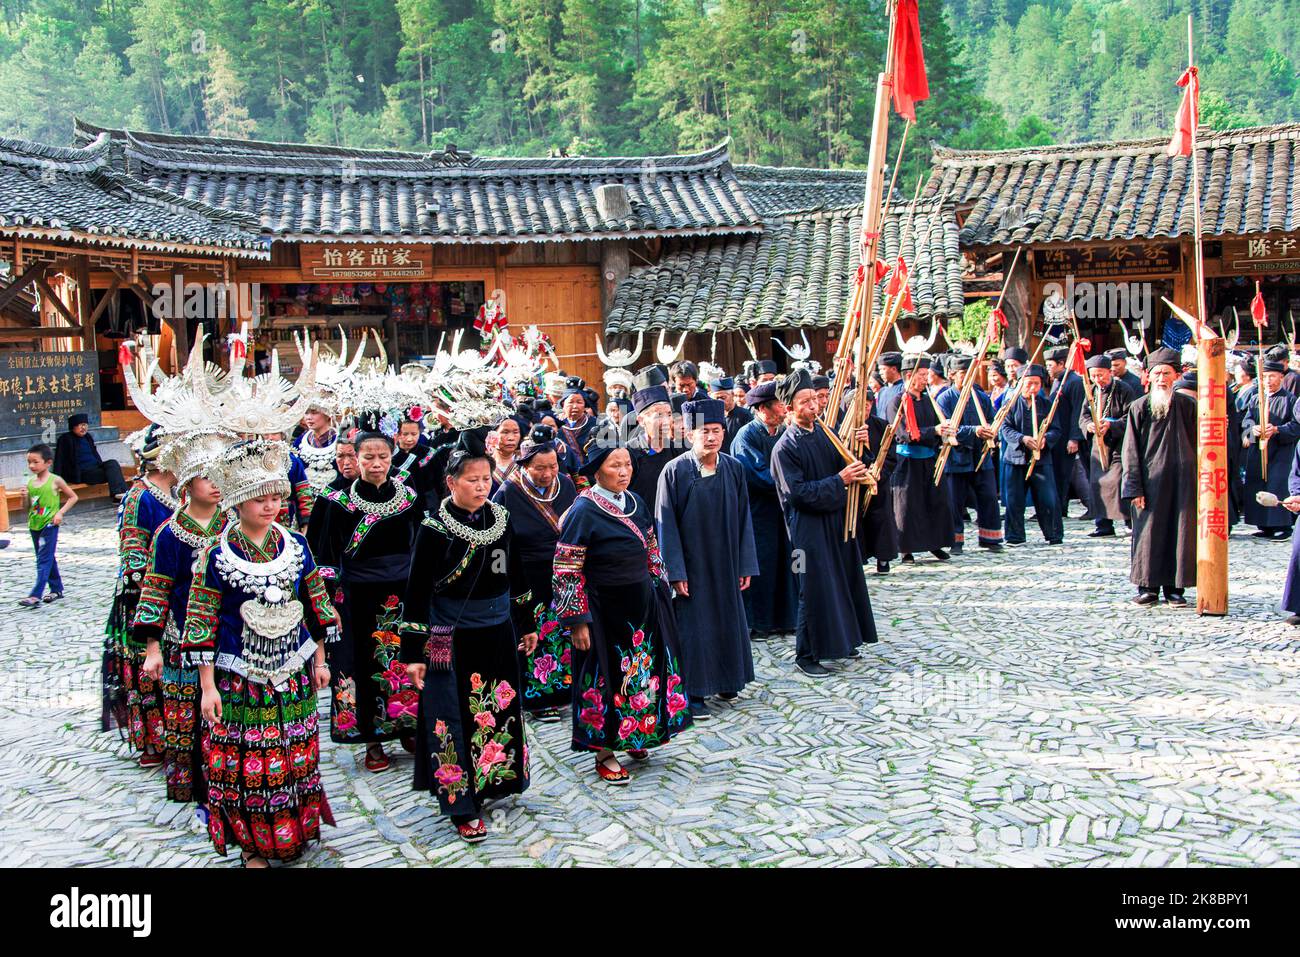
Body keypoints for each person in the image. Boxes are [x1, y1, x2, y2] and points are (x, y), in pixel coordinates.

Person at [183, 438, 339, 866]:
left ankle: (296, 830)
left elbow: (317, 605)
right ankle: (251, 844)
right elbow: (202, 623)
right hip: (239, 677)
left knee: (296, 753)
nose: (271, 507)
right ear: (237, 503)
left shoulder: (296, 547)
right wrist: (207, 687)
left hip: (293, 671)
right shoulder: (215, 557)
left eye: (276, 497)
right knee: (244, 762)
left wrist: (321, 661)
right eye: (259, 499)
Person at [400, 429, 535, 842]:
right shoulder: (433, 527)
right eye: (472, 480)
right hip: (446, 634)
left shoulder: (501, 519)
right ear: (451, 482)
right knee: (451, 713)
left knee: (496, 705)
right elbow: (417, 591)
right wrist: (414, 652)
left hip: (496, 629)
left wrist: (526, 621)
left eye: (486, 479)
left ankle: (495, 780)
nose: (481, 487)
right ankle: (462, 804)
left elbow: (517, 572)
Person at [553, 444, 693, 783]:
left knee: (640, 670)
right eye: (615, 465)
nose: (623, 471)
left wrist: (660, 587)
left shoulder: (635, 502)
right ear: (597, 471)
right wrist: (577, 621)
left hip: (641, 605)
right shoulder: (583, 511)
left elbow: (651, 546)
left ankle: (635, 732)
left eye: (627, 464)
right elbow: (566, 569)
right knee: (605, 675)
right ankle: (604, 750)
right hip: (603, 609)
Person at [314, 432, 423, 772]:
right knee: (361, 664)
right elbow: (326, 556)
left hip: (403, 594)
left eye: (383, 458)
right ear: (355, 459)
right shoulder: (336, 501)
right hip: (357, 596)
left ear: (392, 458)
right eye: (369, 458)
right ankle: (371, 738)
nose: (377, 465)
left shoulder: (409, 497)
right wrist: (329, 603)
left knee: (406, 660)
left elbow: (421, 546)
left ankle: (408, 726)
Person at [133, 430, 231, 806]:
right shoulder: (168, 535)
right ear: (187, 484)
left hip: (227, 636)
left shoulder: (234, 527)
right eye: (208, 478)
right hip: (179, 637)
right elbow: (155, 590)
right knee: (184, 714)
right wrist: (152, 648)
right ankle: (191, 786)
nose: (216, 486)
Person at [770, 369, 878, 677]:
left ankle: (844, 641)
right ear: (788, 408)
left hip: (834, 522)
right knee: (810, 588)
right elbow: (798, 494)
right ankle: (806, 654)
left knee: (843, 579)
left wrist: (860, 449)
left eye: (815, 400)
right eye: (804, 402)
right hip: (802, 533)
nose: (813, 407)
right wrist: (839, 480)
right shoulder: (784, 447)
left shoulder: (826, 433)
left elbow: (851, 466)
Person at [656, 399, 758, 720]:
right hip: (692, 564)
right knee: (695, 625)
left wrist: (745, 564)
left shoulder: (734, 468)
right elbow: (665, 524)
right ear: (689, 434)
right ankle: (696, 690)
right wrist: (675, 571)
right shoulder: (673, 472)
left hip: (726, 560)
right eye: (704, 431)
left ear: (724, 434)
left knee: (728, 618)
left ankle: (729, 680)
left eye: (716, 431)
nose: (711, 437)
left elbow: (744, 519)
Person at [102, 427, 180, 765]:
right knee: (147, 673)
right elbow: (133, 557)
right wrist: (154, 591)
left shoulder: (176, 493)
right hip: (144, 597)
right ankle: (152, 740)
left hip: (175, 594)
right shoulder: (139, 498)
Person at [492, 425, 579, 723]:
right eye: (539, 468)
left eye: (552, 466)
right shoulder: (508, 492)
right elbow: (499, 543)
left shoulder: (566, 485)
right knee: (535, 634)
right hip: (527, 574)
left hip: (564, 571)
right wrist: (500, 577)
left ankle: (568, 689)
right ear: (525, 466)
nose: (547, 473)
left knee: (566, 630)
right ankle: (539, 699)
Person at [1121, 348, 1197, 606]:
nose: (1162, 378)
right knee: (1148, 533)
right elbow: (1129, 450)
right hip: (1149, 483)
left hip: (1183, 484)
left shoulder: (1189, 406)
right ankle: (1148, 587)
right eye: (1157, 373)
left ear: (1177, 375)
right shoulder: (1139, 407)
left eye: (1167, 373)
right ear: (1148, 376)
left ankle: (1176, 589)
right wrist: (1134, 487)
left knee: (1180, 532)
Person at [730, 381, 799, 640]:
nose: (784, 409)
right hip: (759, 513)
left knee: (790, 563)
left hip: (784, 511)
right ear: (762, 409)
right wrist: (792, 483)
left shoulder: (784, 432)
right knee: (763, 566)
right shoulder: (746, 437)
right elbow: (759, 475)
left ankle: (788, 617)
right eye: (780, 404)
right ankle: (758, 622)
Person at [889, 356, 954, 563]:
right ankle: (906, 549)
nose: (926, 379)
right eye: (922, 375)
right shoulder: (897, 402)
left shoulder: (928, 400)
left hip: (929, 459)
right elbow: (902, 434)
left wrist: (944, 430)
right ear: (909, 375)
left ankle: (935, 543)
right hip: (907, 462)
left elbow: (937, 426)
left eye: (927, 375)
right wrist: (933, 431)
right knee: (907, 506)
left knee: (936, 502)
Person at [935, 356, 1002, 553]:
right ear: (953, 375)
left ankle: (990, 538)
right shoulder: (945, 398)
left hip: (980, 455)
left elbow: (990, 419)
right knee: (955, 500)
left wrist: (991, 430)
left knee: (989, 496)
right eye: (964, 374)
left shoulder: (980, 397)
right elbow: (948, 427)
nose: (967, 378)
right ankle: (955, 540)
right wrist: (974, 430)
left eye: (971, 374)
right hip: (956, 455)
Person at [999, 364, 1063, 546]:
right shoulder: (1010, 404)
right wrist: (1022, 438)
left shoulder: (1047, 405)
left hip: (1041, 460)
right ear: (1020, 384)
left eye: (1036, 384)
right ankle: (1015, 536)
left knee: (1048, 499)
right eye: (1028, 384)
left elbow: (1056, 430)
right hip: (1015, 458)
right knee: (1014, 500)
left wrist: (1046, 440)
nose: (1032, 388)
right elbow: (1005, 428)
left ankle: (1054, 535)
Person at [1079, 355, 1137, 538]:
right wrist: (1088, 425)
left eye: (1101, 375)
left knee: (1119, 482)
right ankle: (1103, 525)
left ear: (1109, 372)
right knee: (1098, 484)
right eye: (1094, 376)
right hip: (1099, 445)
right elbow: (1083, 416)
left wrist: (1112, 425)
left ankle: (1130, 522)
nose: (1098, 379)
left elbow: (1131, 416)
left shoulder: (1123, 389)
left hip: (1119, 444)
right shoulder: (1091, 391)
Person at [1242, 359, 1300, 540]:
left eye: (1272, 376)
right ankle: (1264, 525)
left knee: (1277, 484)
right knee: (1257, 484)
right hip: (1259, 450)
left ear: (1281, 377)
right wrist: (1252, 430)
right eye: (1264, 377)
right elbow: (1245, 422)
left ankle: (1283, 526)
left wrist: (1277, 430)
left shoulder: (1289, 400)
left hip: (1281, 452)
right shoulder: (1255, 398)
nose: (1268, 380)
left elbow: (1296, 426)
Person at [19, 443, 77, 607]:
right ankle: (56, 589)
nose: (32, 466)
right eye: (29, 462)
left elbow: (73, 497)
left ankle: (35, 594)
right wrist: (24, 497)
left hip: (49, 525)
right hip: (34, 524)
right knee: (46, 556)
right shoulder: (30, 483)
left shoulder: (55, 480)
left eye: (35, 462)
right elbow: (27, 507)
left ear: (48, 462)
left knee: (43, 559)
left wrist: (60, 512)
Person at [851, 389, 900, 573]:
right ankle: (860, 558)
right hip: (856, 482)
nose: (864, 409)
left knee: (881, 520)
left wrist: (880, 471)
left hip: (878, 482)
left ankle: (883, 558)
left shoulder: (881, 426)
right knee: (858, 523)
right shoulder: (844, 427)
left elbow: (890, 453)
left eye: (867, 405)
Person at [1045, 346, 1088, 522]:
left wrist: (1074, 438)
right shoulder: (1057, 381)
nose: (1048, 368)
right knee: (1057, 473)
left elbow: (1078, 411)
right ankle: (1059, 507)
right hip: (1056, 435)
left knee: (1065, 473)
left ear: (1061, 363)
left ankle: (1067, 506)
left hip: (1068, 436)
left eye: (1050, 365)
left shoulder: (1075, 382)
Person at [627, 383, 685, 511]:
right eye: (659, 415)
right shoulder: (629, 453)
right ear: (641, 420)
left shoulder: (678, 450)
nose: (666, 421)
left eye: (669, 414)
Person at [53, 413, 128, 500]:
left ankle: (119, 494)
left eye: (85, 425)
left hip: (96, 468)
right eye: (80, 425)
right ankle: (120, 496)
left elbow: (95, 454)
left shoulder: (87, 437)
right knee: (114, 474)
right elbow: (59, 459)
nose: (83, 428)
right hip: (83, 473)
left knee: (112, 463)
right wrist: (56, 480)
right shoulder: (65, 439)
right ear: (73, 427)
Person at [293, 405, 339, 496]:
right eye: (306, 413)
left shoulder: (341, 441)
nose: (309, 417)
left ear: (327, 415)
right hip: (305, 498)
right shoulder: (299, 442)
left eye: (314, 413)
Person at [708, 374, 753, 454]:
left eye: (723, 398)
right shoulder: (710, 417)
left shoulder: (745, 415)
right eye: (716, 398)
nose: (720, 401)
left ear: (732, 395)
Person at [490, 414, 524, 491]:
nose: (511, 438)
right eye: (505, 432)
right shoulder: (484, 463)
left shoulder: (525, 464)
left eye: (515, 432)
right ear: (492, 435)